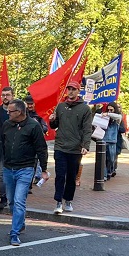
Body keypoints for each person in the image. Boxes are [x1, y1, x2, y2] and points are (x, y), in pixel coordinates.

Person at [1, 99, 48, 247]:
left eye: (10, 111)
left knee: (20, 200)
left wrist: (44, 170)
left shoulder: (34, 126)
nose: (8, 113)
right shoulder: (7, 125)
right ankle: (20, 223)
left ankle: (14, 233)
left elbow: (41, 148)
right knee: (11, 200)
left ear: (20, 112)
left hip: (25, 169)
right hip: (8, 168)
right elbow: (3, 143)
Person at [48, 83, 91, 214]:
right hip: (60, 146)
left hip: (75, 148)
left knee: (71, 176)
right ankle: (58, 201)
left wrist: (85, 145)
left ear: (78, 91)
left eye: (74, 89)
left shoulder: (85, 109)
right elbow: (55, 124)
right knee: (60, 175)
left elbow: (87, 129)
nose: (71, 92)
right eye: (69, 89)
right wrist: (52, 120)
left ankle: (68, 200)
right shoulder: (61, 106)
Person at [100, 102, 124, 178]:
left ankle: (110, 171)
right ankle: (104, 175)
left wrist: (107, 114)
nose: (110, 111)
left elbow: (118, 117)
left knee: (111, 159)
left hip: (112, 141)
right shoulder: (105, 116)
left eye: (111, 110)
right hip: (104, 140)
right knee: (103, 159)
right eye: (108, 110)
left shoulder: (117, 117)